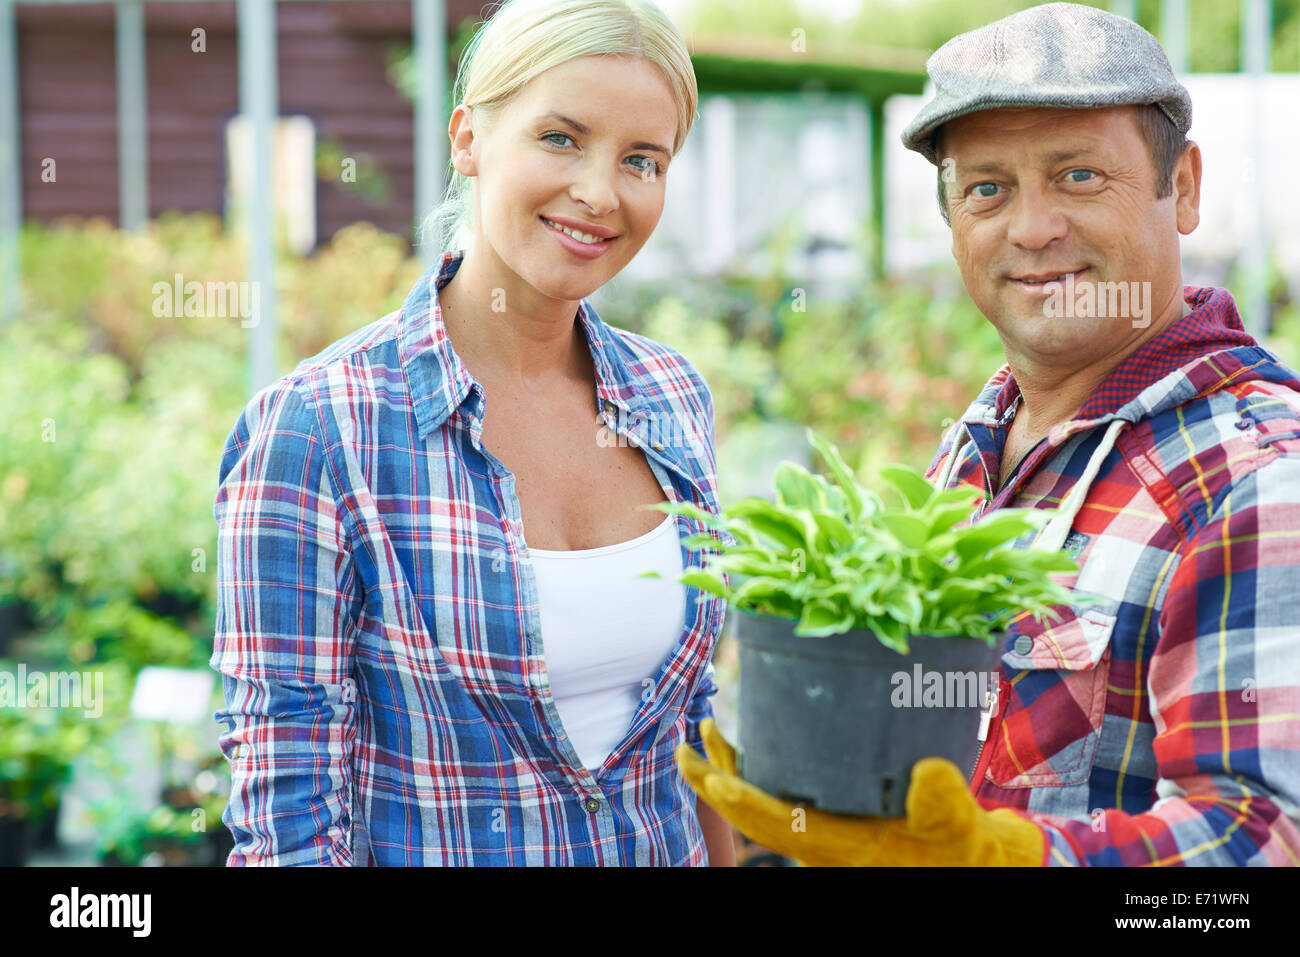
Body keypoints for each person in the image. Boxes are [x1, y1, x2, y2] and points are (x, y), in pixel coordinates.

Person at [675, 2, 1300, 866]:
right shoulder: (979, 445)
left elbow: (1263, 842)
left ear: (1182, 187)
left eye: (1079, 175)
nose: (1032, 227)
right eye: (987, 189)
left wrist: (998, 858)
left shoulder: (1256, 475)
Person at [210, 0, 735, 866]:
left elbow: (689, 720)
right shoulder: (318, 429)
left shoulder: (671, 396)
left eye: (642, 159)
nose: (601, 193)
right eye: (561, 138)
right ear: (469, 140)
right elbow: (288, 825)